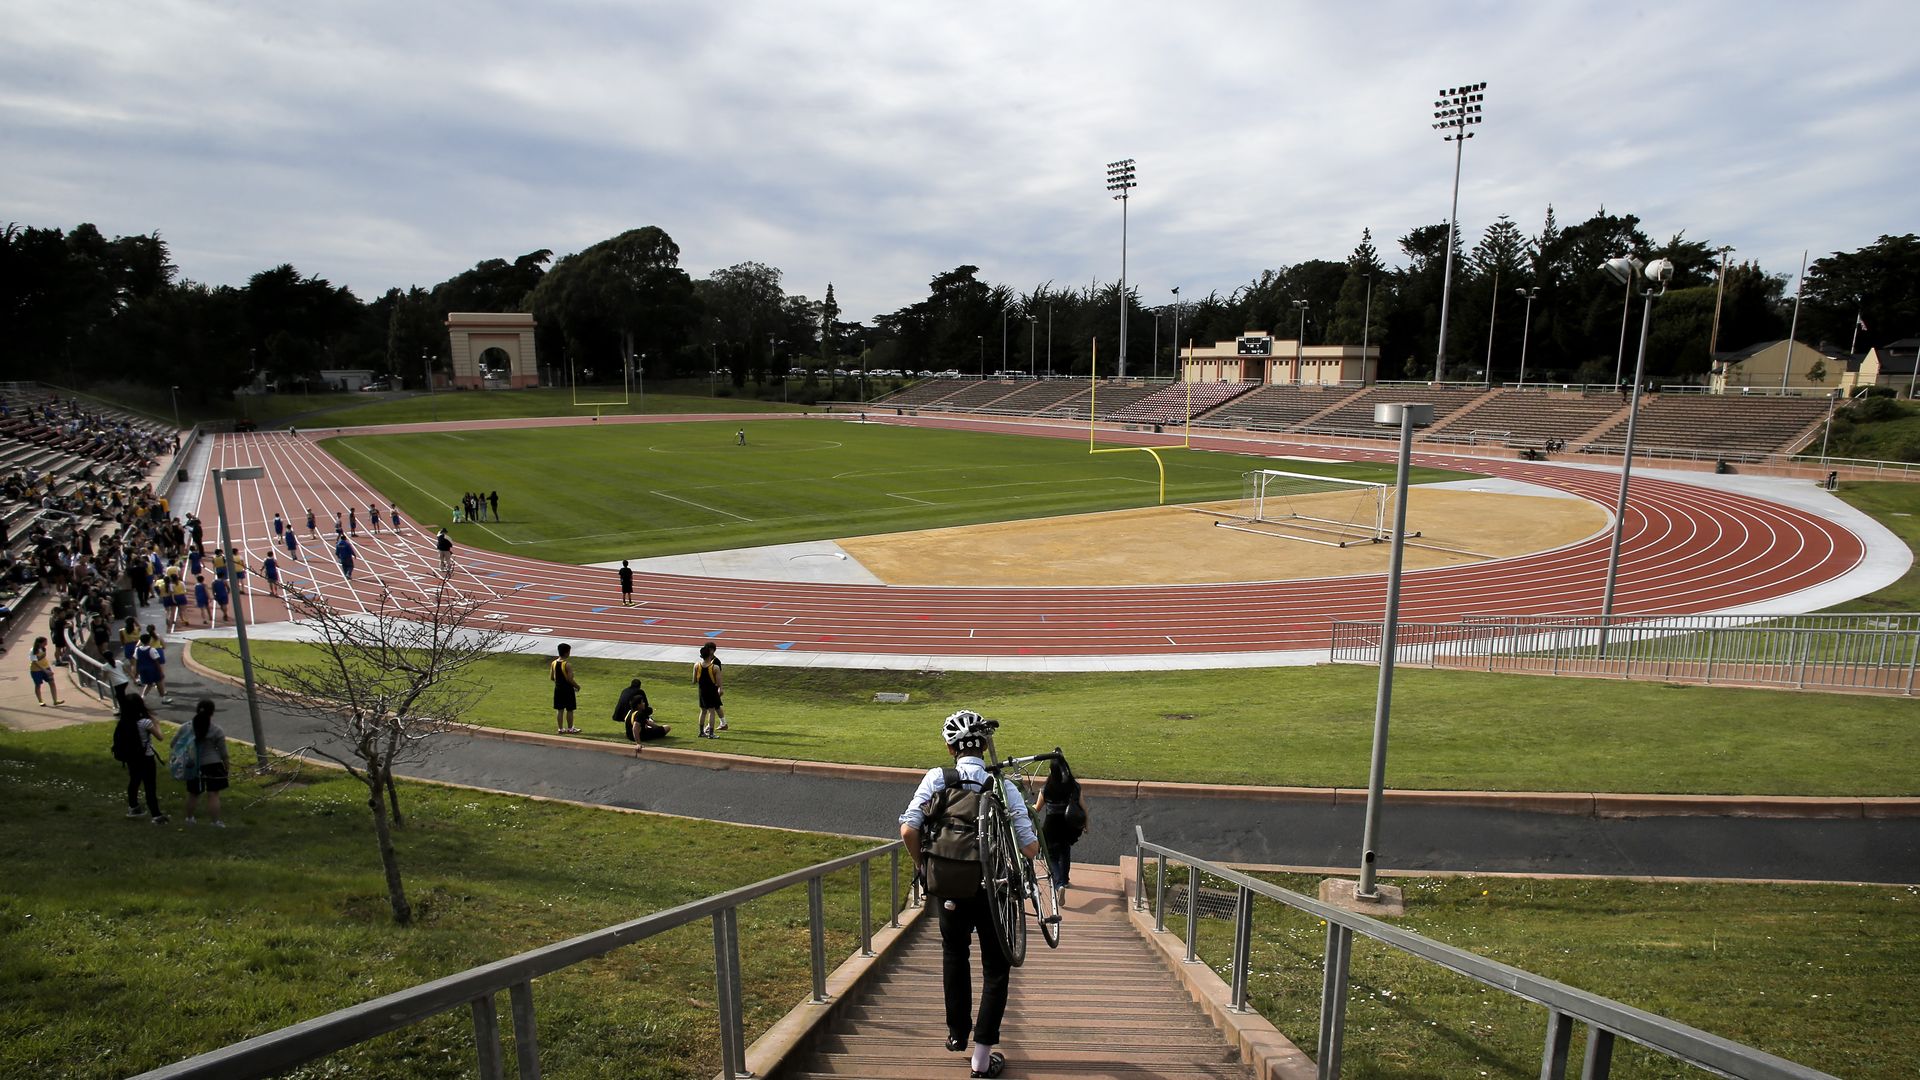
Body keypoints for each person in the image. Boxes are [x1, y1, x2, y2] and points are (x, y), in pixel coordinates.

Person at [898, 710, 1037, 1079]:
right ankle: (981, 1058)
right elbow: (1029, 847)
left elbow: (909, 830)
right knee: (996, 968)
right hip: (996, 890)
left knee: (955, 954)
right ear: (985, 746)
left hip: (950, 886)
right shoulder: (1001, 786)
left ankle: (957, 1033)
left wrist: (924, 867)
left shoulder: (937, 779)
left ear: (950, 748)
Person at [1031, 757, 1088, 899]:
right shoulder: (1074, 786)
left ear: (1051, 771)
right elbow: (1084, 807)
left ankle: (1058, 884)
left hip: (1051, 826)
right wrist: (1087, 824)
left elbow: (1037, 808)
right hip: (1069, 825)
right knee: (1065, 851)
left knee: (1051, 857)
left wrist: (1029, 808)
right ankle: (1065, 880)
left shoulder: (1046, 788)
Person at [174, 699, 229, 827]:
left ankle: (189, 818)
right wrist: (227, 766)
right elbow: (223, 753)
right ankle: (215, 822)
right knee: (213, 793)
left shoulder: (186, 727)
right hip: (213, 764)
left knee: (193, 793)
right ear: (212, 713)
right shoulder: (216, 730)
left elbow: (174, 744)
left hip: (193, 765)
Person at [113, 693, 167, 824]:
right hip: (146, 758)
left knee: (134, 781)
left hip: (131, 757)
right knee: (150, 786)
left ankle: (133, 807)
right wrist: (157, 724)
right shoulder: (145, 723)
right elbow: (160, 737)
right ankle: (156, 815)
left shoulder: (124, 722)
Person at [613, 677, 668, 745]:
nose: (644, 703)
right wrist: (638, 743)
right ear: (638, 705)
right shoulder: (639, 713)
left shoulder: (629, 711)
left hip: (621, 718)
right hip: (641, 735)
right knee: (667, 727)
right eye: (642, 702)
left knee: (644, 723)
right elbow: (635, 728)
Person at [694, 641, 724, 738]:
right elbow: (718, 683)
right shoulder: (715, 667)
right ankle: (711, 733)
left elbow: (694, 680)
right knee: (711, 711)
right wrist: (719, 688)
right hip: (711, 690)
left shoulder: (696, 665)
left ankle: (701, 732)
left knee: (703, 711)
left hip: (701, 690)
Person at [135, 632, 171, 704]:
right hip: (152, 670)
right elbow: (156, 662)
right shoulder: (152, 650)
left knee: (149, 684)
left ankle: (142, 698)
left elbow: (136, 661)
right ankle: (163, 699)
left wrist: (137, 672)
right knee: (159, 683)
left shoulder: (137, 650)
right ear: (149, 640)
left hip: (143, 670)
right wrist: (161, 672)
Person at [551, 642, 580, 733]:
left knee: (560, 710)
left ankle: (560, 729)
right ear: (566, 652)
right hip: (567, 690)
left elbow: (552, 677)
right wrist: (577, 686)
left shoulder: (553, 663)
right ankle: (570, 728)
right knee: (570, 709)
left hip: (558, 689)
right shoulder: (567, 664)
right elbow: (570, 679)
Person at [29, 635, 61, 706]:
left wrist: (47, 669)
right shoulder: (33, 650)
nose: (46, 644)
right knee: (38, 685)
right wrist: (45, 670)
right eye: (44, 642)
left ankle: (55, 700)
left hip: (46, 667)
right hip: (36, 670)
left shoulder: (43, 649)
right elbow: (35, 662)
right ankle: (40, 701)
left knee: (52, 683)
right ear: (39, 643)